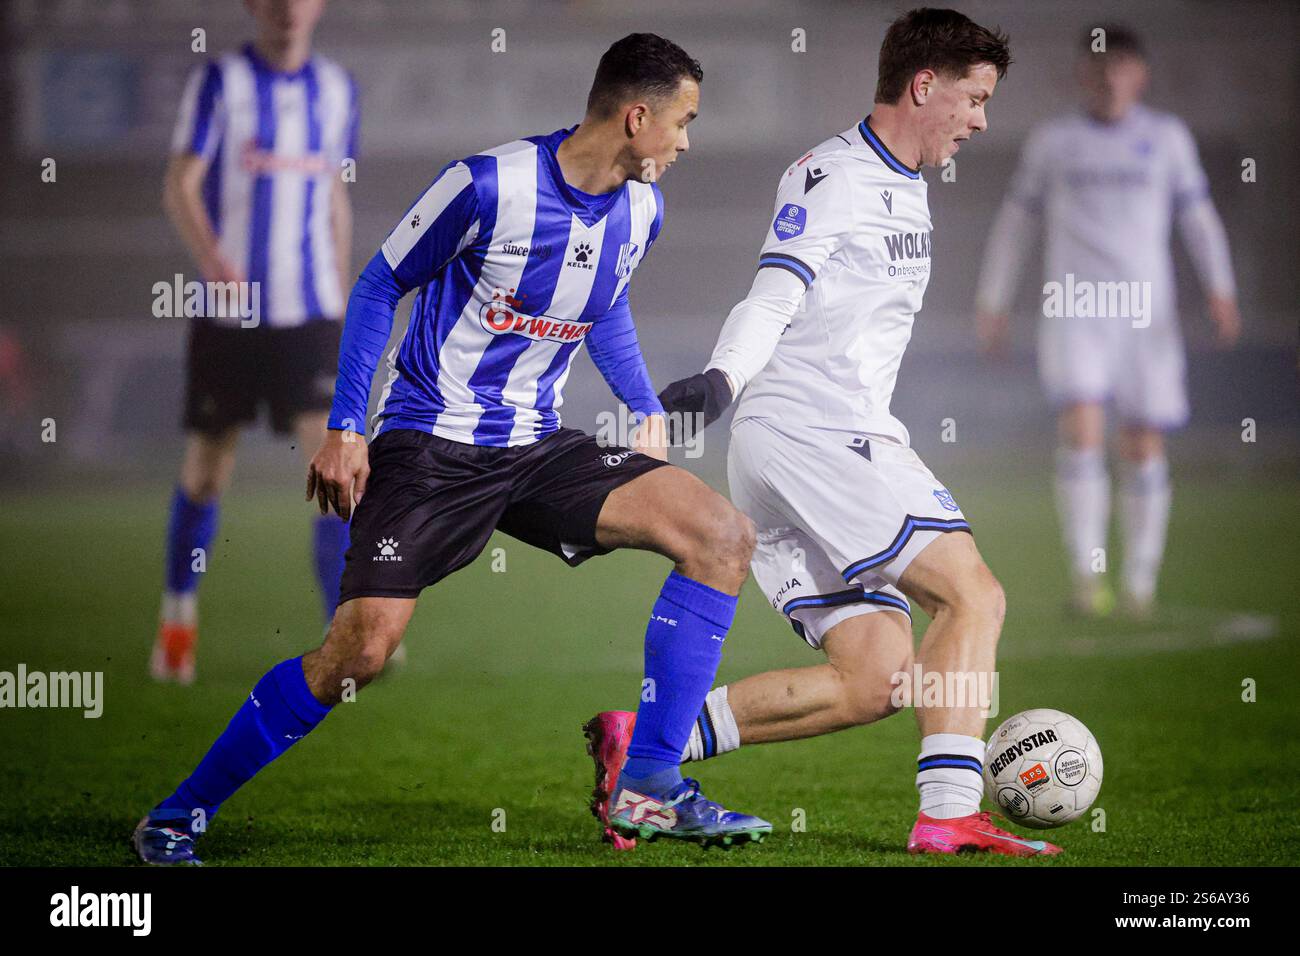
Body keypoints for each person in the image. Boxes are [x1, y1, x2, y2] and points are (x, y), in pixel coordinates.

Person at [135, 32, 769, 865]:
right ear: (637, 115)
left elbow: (601, 301)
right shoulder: (487, 183)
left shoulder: (643, 207)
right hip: (430, 445)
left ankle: (650, 786)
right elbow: (378, 283)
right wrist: (346, 426)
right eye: (682, 122)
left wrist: (642, 401)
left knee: (721, 535)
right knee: (358, 652)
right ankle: (177, 815)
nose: (687, 142)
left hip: (537, 448)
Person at [586, 8, 1059, 857]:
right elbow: (773, 292)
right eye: (976, 97)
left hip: (818, 440)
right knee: (972, 592)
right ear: (925, 86)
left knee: (875, 678)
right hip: (812, 431)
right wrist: (722, 379)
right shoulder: (835, 175)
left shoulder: (909, 182)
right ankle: (950, 809)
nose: (982, 119)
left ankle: (653, 745)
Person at [974, 24, 1239, 617]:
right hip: (1075, 309)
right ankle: (1087, 578)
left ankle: (1140, 584)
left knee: (1143, 442)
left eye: (1120, 65)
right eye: (1098, 66)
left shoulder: (1166, 139)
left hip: (1147, 314)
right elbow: (1017, 224)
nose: (1108, 76)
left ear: (1139, 74)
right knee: (1083, 431)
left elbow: (1198, 219)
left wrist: (1221, 289)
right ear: (1082, 74)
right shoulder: (1054, 141)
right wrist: (993, 299)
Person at [154, 0, 358, 683]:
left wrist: (342, 291)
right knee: (208, 471)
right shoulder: (220, 82)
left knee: (332, 469)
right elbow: (180, 182)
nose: (286, 10)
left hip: (310, 315)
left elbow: (332, 191)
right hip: (230, 314)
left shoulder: (334, 89)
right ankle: (178, 618)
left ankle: (343, 631)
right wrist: (212, 259)